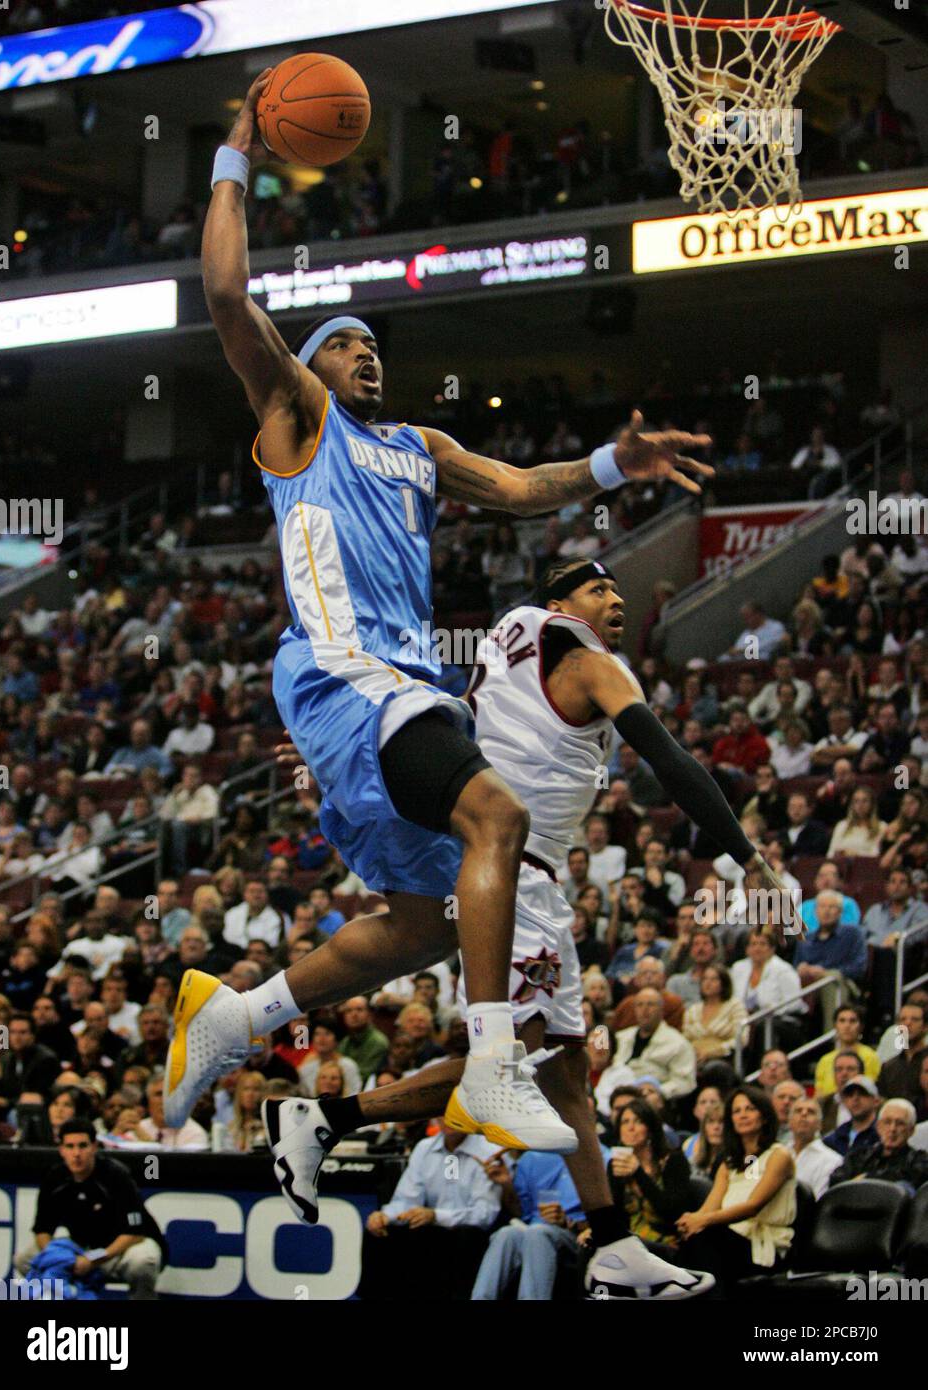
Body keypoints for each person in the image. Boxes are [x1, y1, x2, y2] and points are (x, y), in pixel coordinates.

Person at [169, 67, 715, 1161]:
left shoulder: (421, 448)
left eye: (375, 342)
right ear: (310, 365)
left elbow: (522, 488)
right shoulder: (296, 414)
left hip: (398, 692)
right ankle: (495, 1068)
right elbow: (228, 296)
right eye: (344, 340)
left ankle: (232, 1014)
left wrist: (619, 460)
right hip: (342, 677)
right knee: (498, 821)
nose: (366, 350)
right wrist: (240, 144)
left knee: (425, 924)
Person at [260, 554, 786, 1298]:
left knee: (566, 1074)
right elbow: (667, 759)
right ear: (560, 601)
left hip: (500, 866)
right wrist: (744, 855)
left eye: (615, 587)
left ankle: (611, 1246)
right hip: (518, 875)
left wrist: (336, 757)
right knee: (515, 1065)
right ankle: (322, 1119)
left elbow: (435, 738)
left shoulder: (498, 646)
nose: (613, 599)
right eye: (597, 588)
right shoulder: (585, 656)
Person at [13, 1119, 165, 1299]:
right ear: (61, 1150)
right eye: (70, 1146)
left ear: (94, 1147)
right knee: (24, 1261)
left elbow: (135, 1233)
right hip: (80, 1249)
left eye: (82, 1146)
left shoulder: (116, 1175)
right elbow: (42, 1230)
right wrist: (59, 1256)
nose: (76, 1153)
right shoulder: (54, 1178)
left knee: (144, 1261)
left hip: (119, 1249)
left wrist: (93, 1259)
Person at [361, 1121, 499, 1302]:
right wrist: (385, 1216)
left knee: (461, 1237)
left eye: (455, 1111)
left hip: (470, 1231)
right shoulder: (424, 1148)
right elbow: (407, 1200)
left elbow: (484, 1214)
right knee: (379, 1234)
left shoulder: (489, 1151)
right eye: (443, 1112)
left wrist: (435, 1215)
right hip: (433, 1229)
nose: (449, 1118)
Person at [676, 1085, 797, 1289]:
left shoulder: (779, 1155)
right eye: (736, 1111)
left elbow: (753, 1206)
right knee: (689, 1237)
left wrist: (703, 1220)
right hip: (727, 1239)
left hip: (760, 1247)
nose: (742, 1115)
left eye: (750, 1109)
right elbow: (710, 1206)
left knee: (706, 1237)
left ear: (764, 1116)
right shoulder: (728, 1162)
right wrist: (690, 1221)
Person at [472, 1143, 601, 1300]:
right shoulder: (531, 1158)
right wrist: (506, 1184)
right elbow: (521, 1212)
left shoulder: (599, 1157)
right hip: (534, 1229)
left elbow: (605, 1220)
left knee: (537, 1232)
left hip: (577, 1237)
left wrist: (568, 1222)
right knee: (507, 1234)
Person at [608, 1098, 693, 1249]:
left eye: (638, 1121)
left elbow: (672, 1213)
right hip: (629, 1241)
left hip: (666, 1242)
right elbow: (615, 1215)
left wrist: (638, 1173)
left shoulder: (673, 1160)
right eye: (625, 1122)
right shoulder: (616, 1164)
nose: (630, 1127)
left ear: (650, 1128)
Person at [793, 890, 867, 1032]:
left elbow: (859, 968)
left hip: (843, 984)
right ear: (815, 911)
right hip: (809, 986)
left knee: (830, 978)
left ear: (840, 912)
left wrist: (825, 973)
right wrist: (801, 968)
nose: (826, 911)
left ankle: (833, 1036)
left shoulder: (853, 933)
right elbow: (796, 966)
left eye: (831, 907)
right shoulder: (806, 938)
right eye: (822, 907)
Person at [611, 988, 696, 1101]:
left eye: (650, 1004)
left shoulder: (678, 1043)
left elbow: (685, 1083)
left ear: (661, 1010)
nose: (644, 1010)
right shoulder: (620, 1038)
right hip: (615, 1095)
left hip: (653, 1102)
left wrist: (658, 1092)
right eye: (640, 1005)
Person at [829, 1099, 928, 1190]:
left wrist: (866, 1178)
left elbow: (916, 1177)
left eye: (900, 1123)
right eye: (887, 1122)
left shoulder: (919, 1160)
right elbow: (835, 1181)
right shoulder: (859, 1156)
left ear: (911, 1130)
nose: (892, 1129)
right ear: (878, 1127)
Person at [682, 964, 747, 1063]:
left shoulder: (735, 1006)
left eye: (714, 979)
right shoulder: (693, 1010)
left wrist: (713, 1052)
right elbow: (684, 1039)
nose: (708, 983)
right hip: (693, 1058)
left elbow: (741, 1039)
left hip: (722, 1058)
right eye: (705, 979)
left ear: (724, 983)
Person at [814, 1006, 881, 1096]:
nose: (847, 1026)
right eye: (842, 1021)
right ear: (835, 1026)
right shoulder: (824, 1060)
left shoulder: (870, 1057)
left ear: (861, 1027)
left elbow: (869, 1091)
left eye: (852, 1021)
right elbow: (819, 1095)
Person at [132, 1075, 209, 1150]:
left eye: (171, 1094)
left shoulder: (195, 1133)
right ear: (148, 1101)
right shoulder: (138, 1127)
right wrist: (120, 1132)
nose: (165, 1100)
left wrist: (147, 1141)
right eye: (159, 1094)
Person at [787, 1095, 842, 1199]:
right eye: (798, 1111)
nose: (804, 1114)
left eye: (811, 1112)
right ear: (789, 1122)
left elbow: (819, 1201)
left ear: (819, 1125)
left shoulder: (832, 1160)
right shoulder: (776, 1153)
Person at [878, 998, 928, 1105]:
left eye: (914, 1019)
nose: (908, 1023)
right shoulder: (888, 1067)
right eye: (903, 1019)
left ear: (925, 1026)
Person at [823, 1074, 882, 1156]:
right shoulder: (833, 1138)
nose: (855, 1098)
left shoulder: (883, 1136)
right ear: (844, 1101)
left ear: (876, 1101)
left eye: (862, 1093)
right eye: (850, 1094)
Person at [337, 996, 389, 1084]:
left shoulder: (378, 1042)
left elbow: (364, 1076)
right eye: (349, 1011)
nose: (354, 1014)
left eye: (359, 1009)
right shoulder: (345, 1042)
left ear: (369, 1014)